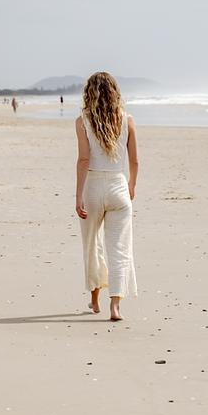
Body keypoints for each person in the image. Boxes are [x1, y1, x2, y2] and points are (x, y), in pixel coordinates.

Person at [75, 71, 138, 321]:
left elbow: (83, 160)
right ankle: (115, 305)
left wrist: (78, 196)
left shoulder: (82, 121)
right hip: (118, 187)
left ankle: (94, 301)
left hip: (93, 186)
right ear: (115, 92)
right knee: (119, 248)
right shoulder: (127, 120)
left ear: (89, 92)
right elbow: (134, 160)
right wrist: (131, 185)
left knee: (92, 245)